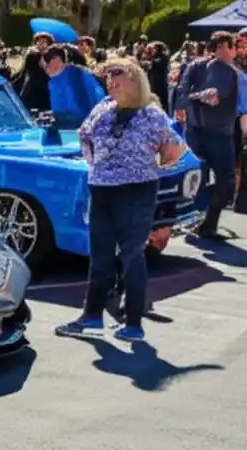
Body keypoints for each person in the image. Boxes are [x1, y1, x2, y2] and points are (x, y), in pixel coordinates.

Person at [57, 58, 185, 343]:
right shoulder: (103, 108)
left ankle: (134, 323)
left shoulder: (151, 114)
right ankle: (91, 317)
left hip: (136, 190)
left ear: (135, 79)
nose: (111, 80)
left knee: (132, 253)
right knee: (100, 256)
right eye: (108, 76)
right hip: (102, 189)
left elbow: (176, 147)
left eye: (118, 74)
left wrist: (159, 163)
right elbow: (84, 136)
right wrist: (98, 165)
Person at [179, 30, 238, 239]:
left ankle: (198, 220)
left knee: (197, 178)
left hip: (195, 131)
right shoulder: (224, 70)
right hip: (217, 134)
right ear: (223, 48)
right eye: (233, 46)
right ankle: (207, 223)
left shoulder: (193, 66)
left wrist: (190, 99)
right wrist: (197, 98)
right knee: (225, 180)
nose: (236, 51)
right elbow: (213, 96)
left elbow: (181, 96)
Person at [44, 44, 106, 129]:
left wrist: (54, 117)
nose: (45, 68)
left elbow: (80, 112)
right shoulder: (75, 74)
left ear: (57, 60)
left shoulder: (71, 78)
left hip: (77, 131)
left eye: (47, 63)